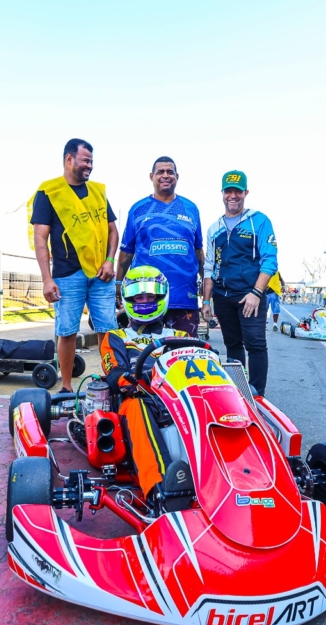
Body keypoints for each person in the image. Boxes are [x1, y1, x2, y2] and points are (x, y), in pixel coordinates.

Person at [99, 266, 191, 508]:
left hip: (181, 398)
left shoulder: (180, 335)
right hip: (138, 397)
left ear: (161, 297)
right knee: (138, 406)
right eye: (139, 297)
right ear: (129, 299)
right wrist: (135, 380)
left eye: (151, 296)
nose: (145, 301)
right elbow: (115, 375)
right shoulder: (116, 336)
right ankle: (161, 487)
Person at [31, 138, 119, 392]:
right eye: (85, 160)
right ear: (69, 159)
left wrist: (110, 260)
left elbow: (113, 231)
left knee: (108, 330)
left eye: (91, 161)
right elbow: (41, 239)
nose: (89, 166)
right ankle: (67, 387)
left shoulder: (98, 192)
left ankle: (112, 382)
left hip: (102, 274)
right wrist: (47, 279)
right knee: (67, 331)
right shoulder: (49, 192)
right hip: (68, 274)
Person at [201, 170, 278, 396]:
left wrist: (256, 292)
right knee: (232, 345)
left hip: (250, 295)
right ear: (222, 193)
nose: (232, 196)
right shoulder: (214, 228)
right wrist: (206, 301)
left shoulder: (259, 221)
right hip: (223, 297)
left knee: (255, 344)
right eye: (228, 191)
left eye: (237, 191)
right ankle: (238, 393)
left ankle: (257, 396)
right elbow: (209, 267)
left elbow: (270, 260)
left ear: (246, 192)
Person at [119, 157, 203, 336]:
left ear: (177, 176)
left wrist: (208, 291)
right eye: (160, 172)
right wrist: (118, 285)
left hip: (183, 299)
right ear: (151, 176)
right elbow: (126, 253)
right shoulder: (137, 209)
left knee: (184, 357)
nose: (166, 175)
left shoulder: (191, 209)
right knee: (143, 357)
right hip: (145, 300)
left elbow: (198, 251)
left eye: (170, 172)